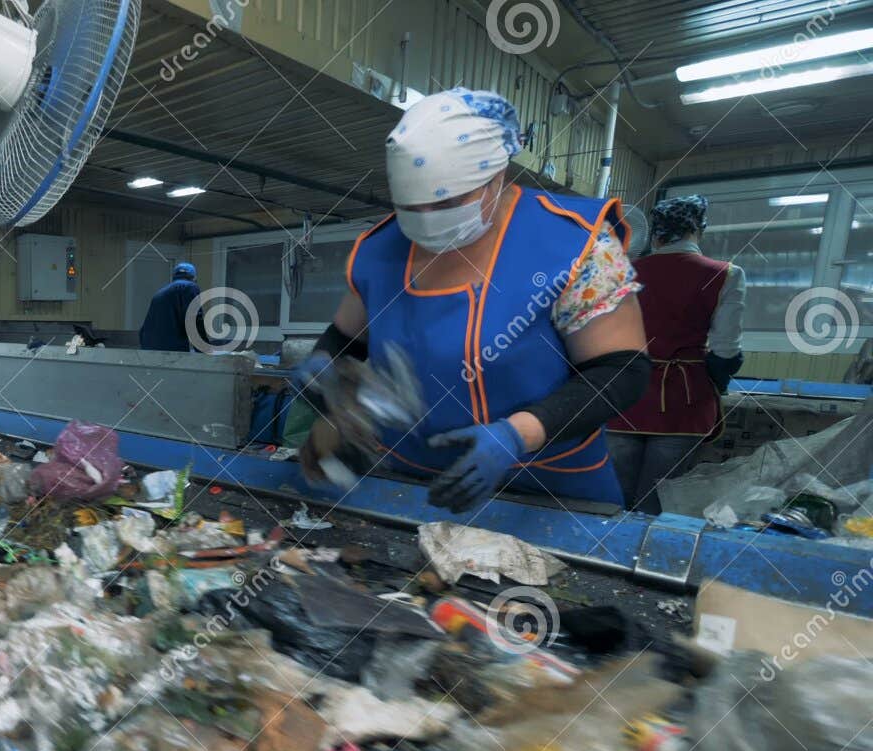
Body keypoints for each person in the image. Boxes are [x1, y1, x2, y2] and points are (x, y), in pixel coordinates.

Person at [295, 88, 651, 512]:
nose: (427, 218)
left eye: (447, 202)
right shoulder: (380, 249)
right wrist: (326, 381)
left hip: (547, 493)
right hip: (410, 487)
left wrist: (518, 434)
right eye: (412, 207)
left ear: (496, 177)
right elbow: (344, 339)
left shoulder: (575, 244)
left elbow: (621, 371)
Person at [606, 195, 746, 514]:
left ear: (655, 231)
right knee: (657, 504)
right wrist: (718, 382)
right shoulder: (727, 274)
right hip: (683, 404)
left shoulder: (619, 273)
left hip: (622, 397)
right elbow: (726, 351)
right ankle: (645, 561)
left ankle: (602, 559)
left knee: (612, 501)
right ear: (698, 229)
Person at [138, 261, 205, 352]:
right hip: (171, 350)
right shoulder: (190, 287)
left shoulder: (160, 293)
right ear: (194, 278)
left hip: (148, 348)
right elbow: (194, 319)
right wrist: (203, 350)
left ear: (173, 277)